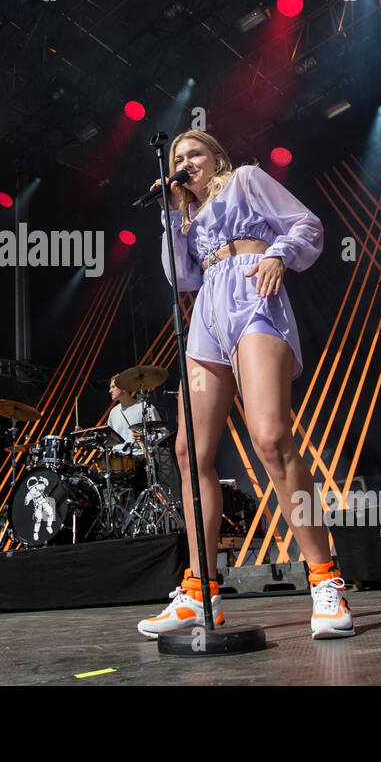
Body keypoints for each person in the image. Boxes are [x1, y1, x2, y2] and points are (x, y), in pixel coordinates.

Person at [140, 130, 353, 640]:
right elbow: (182, 278)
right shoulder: (185, 215)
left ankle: (325, 580)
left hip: (253, 295)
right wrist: (171, 213)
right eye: (177, 158)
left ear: (216, 157)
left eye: (194, 153)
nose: (185, 162)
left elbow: (306, 222)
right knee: (190, 452)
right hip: (207, 313)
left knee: (271, 438)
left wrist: (279, 254)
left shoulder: (246, 179)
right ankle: (199, 592)